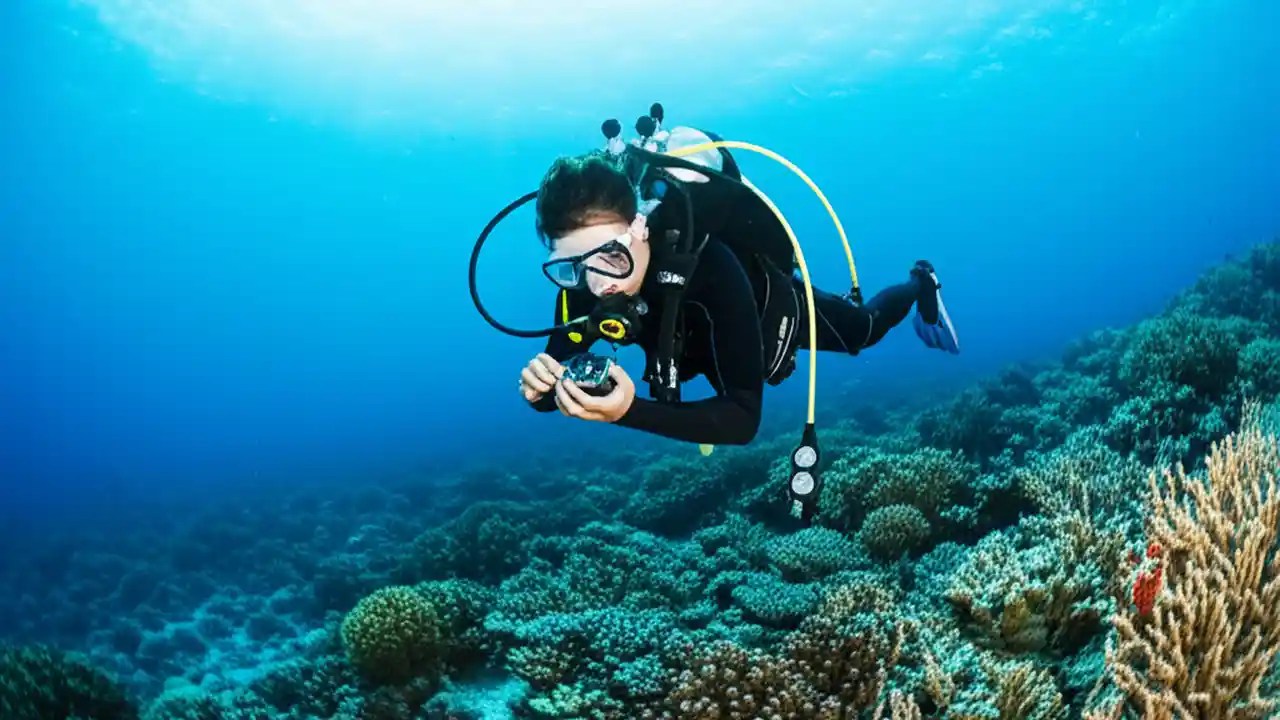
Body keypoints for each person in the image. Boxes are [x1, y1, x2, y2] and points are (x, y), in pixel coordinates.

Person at [515, 122, 960, 448]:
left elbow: (742, 418)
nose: (597, 283)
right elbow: (558, 371)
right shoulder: (579, 284)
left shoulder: (710, 267)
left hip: (767, 310)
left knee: (862, 330)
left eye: (611, 254)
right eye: (573, 264)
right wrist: (543, 390)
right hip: (691, 348)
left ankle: (920, 281)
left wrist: (630, 412)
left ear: (641, 227)